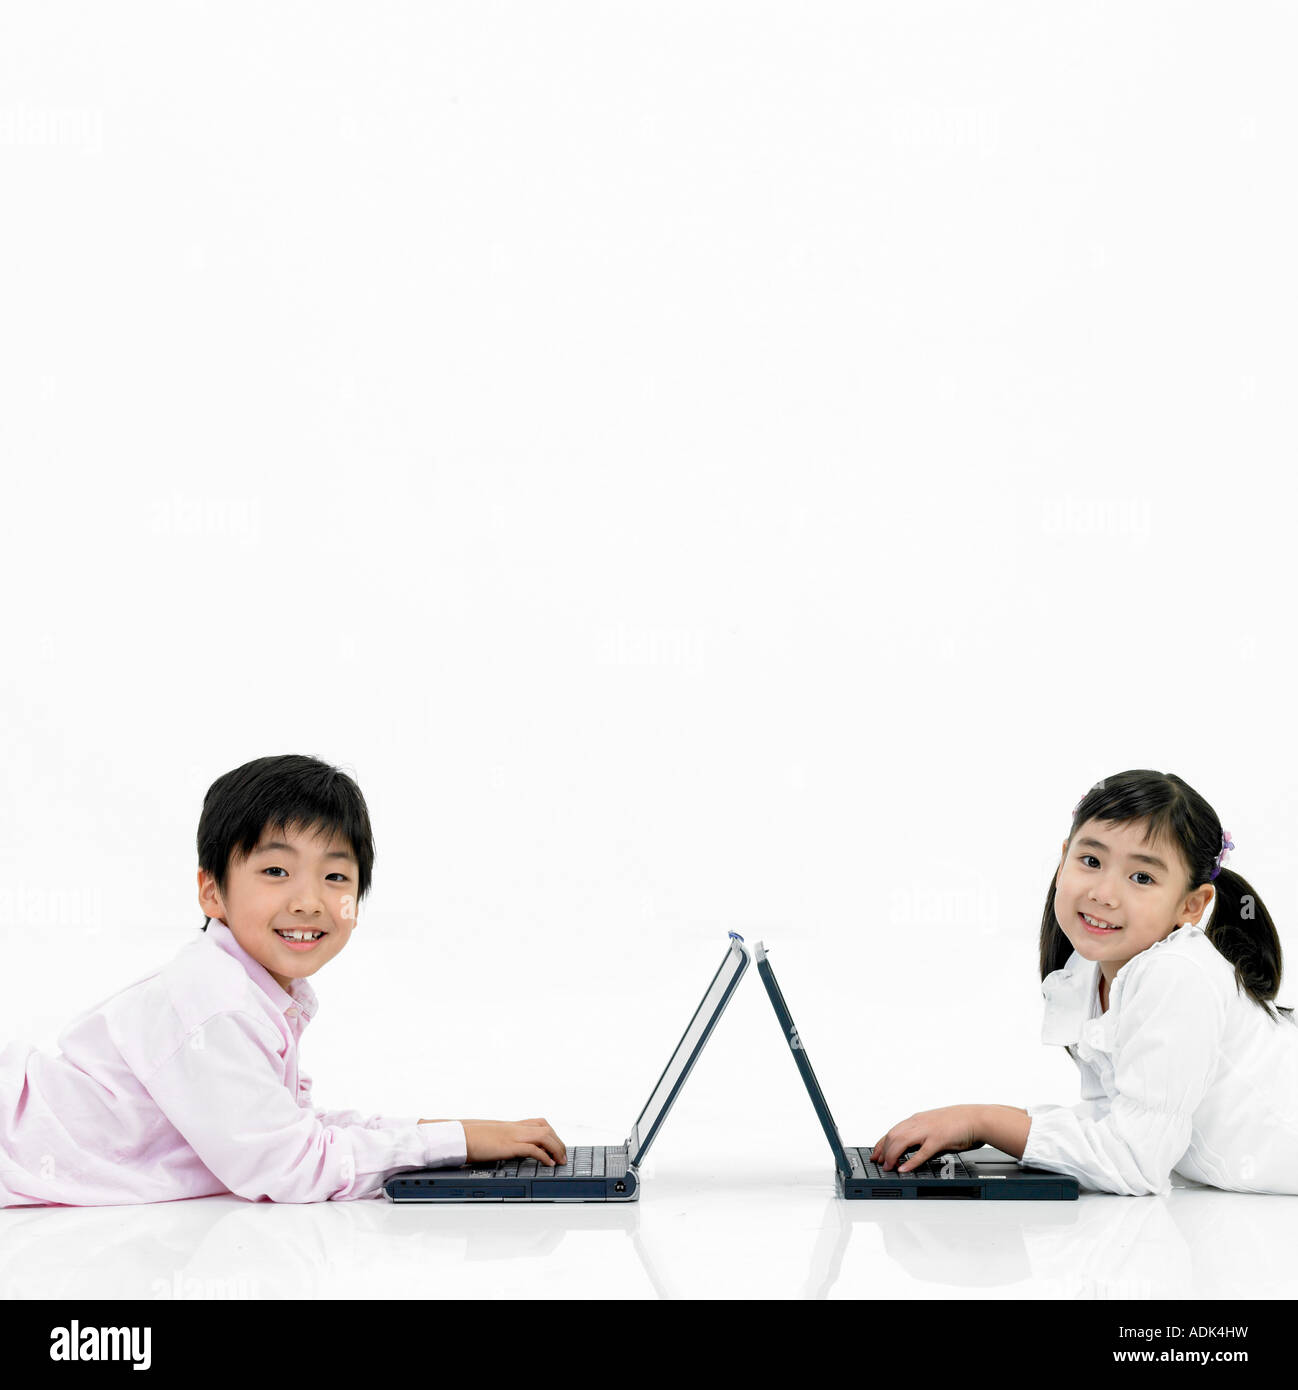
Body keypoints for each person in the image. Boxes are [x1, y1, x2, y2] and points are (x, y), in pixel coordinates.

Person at [0, 753, 565, 1206]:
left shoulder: (255, 992)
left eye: (336, 875)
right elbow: (290, 1165)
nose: (309, 901)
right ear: (211, 891)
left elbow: (287, 1126)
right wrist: (453, 1144)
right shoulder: (214, 1001)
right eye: (275, 870)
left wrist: (453, 1134)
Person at [871, 768, 1298, 1195]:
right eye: (1091, 861)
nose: (1104, 893)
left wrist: (983, 1120)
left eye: (1142, 877)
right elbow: (1109, 1123)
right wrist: (978, 1124)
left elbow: (1135, 1161)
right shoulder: (1091, 972)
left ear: (1192, 904)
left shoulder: (1177, 973)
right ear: (1063, 859)